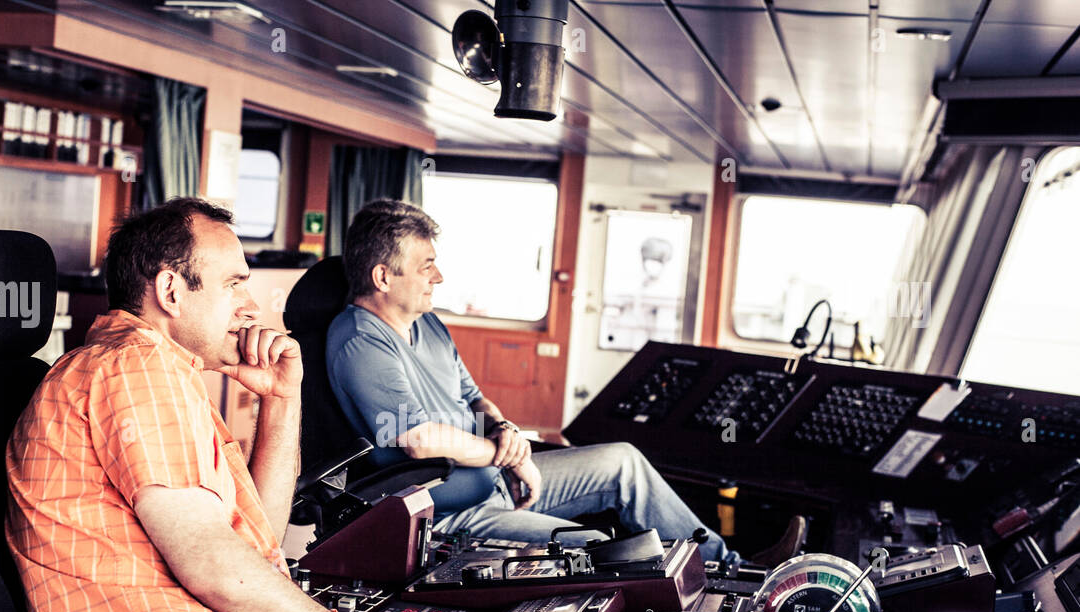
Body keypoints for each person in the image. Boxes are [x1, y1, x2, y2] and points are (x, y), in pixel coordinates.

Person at [6, 197, 518, 612]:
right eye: (233, 284)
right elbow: (217, 568)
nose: (250, 306)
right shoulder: (131, 370)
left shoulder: (173, 377)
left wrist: (282, 399)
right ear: (169, 290)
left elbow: (258, 545)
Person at [326, 199, 806, 565]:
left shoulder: (427, 324)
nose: (440, 277)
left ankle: (731, 567)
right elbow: (418, 439)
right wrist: (502, 455)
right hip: (449, 512)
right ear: (383, 277)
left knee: (623, 462)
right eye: (426, 266)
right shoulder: (358, 341)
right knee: (596, 548)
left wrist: (510, 437)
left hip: (495, 478)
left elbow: (473, 398)